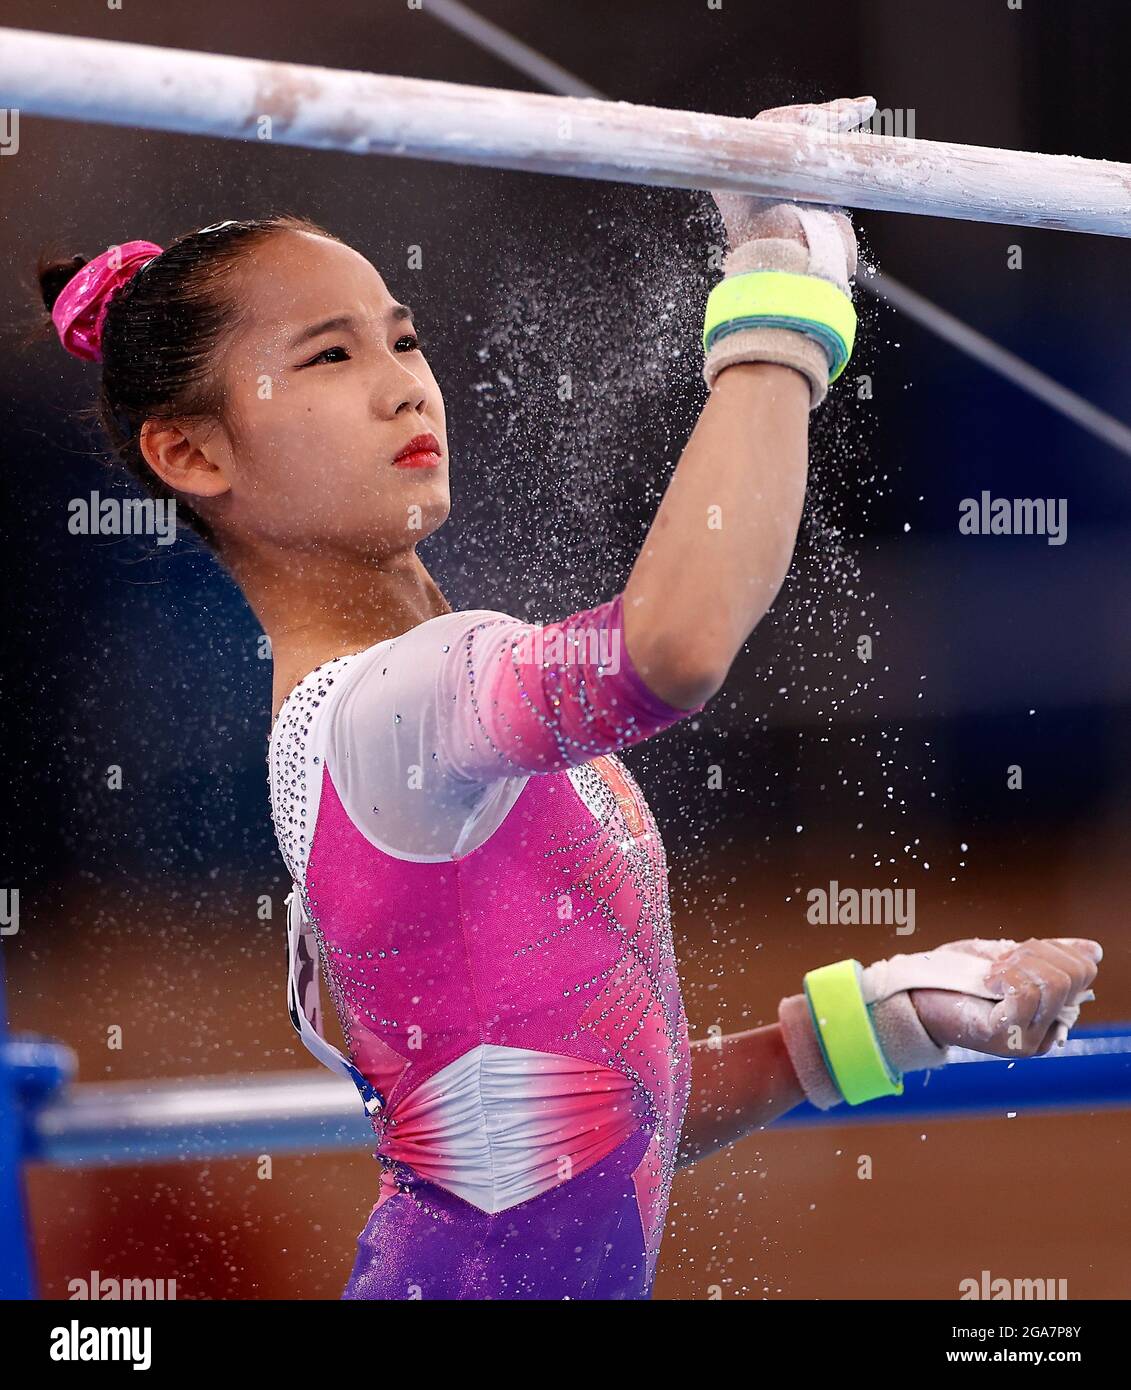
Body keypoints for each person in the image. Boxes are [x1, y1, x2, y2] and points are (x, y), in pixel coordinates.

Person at [38, 96, 1102, 1301]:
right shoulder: (389, 711)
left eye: (403, 337)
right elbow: (673, 647)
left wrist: (892, 1017)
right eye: (330, 356)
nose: (402, 386)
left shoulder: (423, 721)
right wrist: (780, 297)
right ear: (192, 454)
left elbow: (585, 1115)